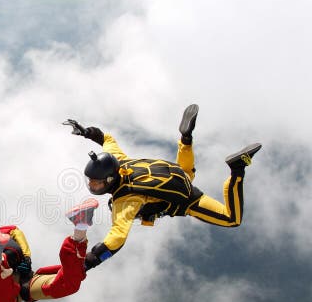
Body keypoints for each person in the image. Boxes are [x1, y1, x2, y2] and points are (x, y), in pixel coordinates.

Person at [64, 104, 262, 270]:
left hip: (188, 200)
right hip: (178, 173)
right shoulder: (119, 160)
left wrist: (88, 262)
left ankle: (237, 170)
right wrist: (87, 132)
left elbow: (117, 238)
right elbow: (107, 139)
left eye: (96, 182)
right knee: (187, 173)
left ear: (109, 179)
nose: (92, 185)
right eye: (90, 180)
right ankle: (185, 139)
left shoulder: (126, 202)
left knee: (231, 219)